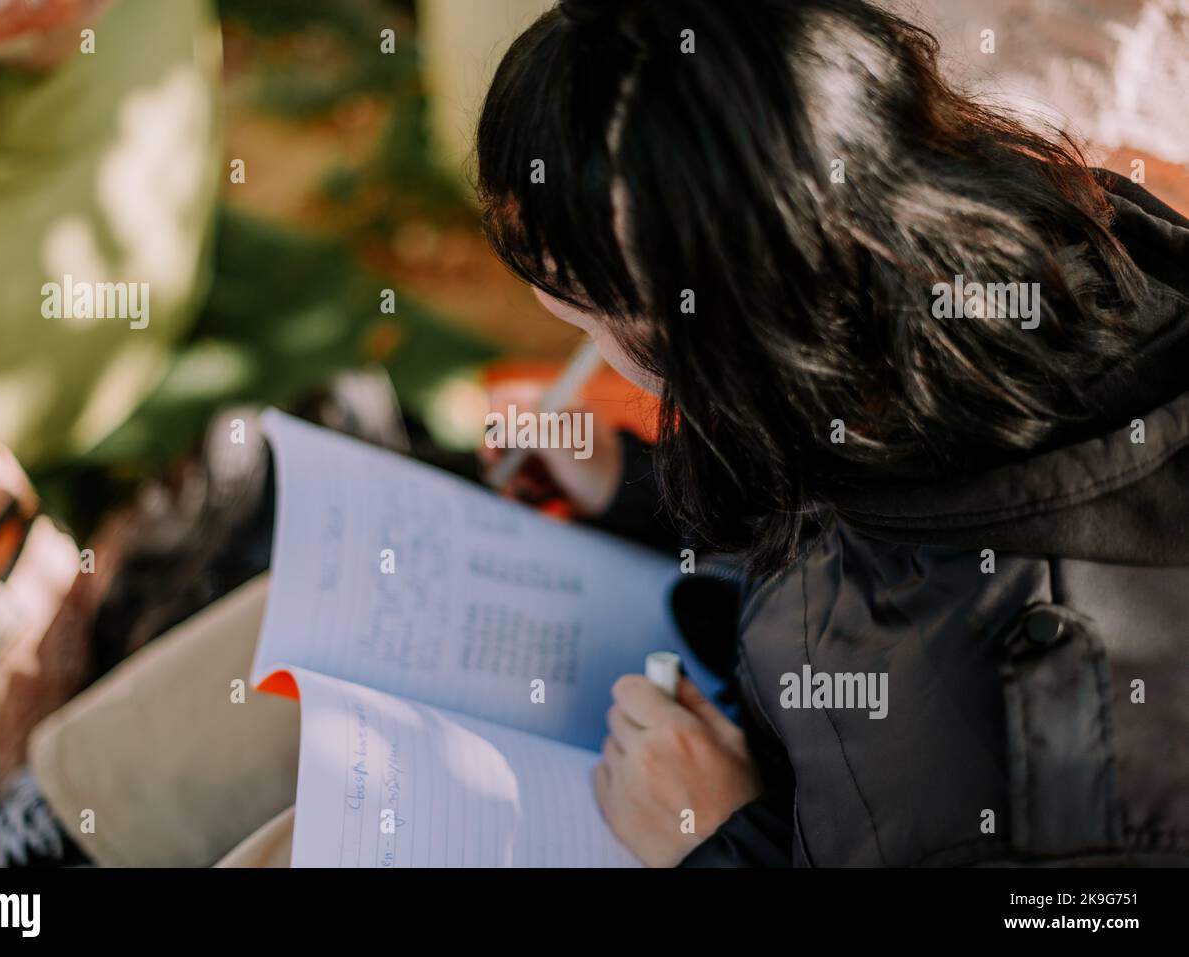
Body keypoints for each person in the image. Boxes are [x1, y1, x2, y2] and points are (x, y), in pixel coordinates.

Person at [474, 0, 1189, 865]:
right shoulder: (1003, 247)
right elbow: (843, 516)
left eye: (592, 320)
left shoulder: (1037, 761)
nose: (592, 356)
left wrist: (721, 842)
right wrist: (634, 482)